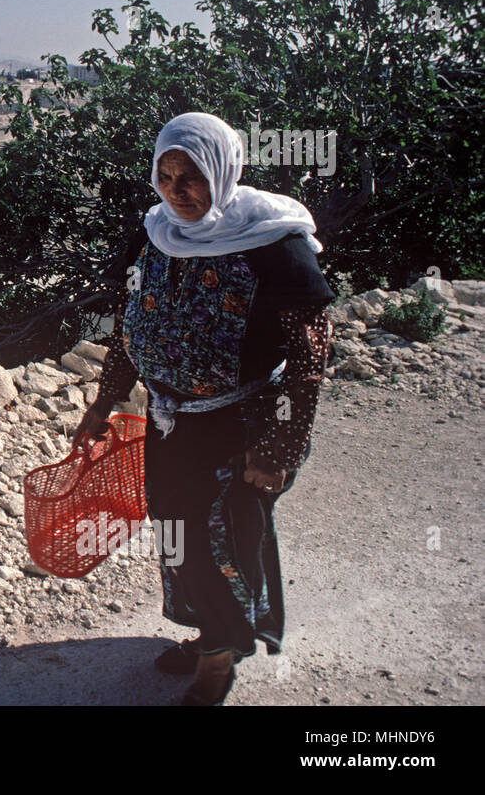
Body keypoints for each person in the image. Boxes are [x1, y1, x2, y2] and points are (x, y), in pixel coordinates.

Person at [71, 112, 335, 705]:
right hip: (172, 420)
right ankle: (210, 631)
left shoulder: (275, 245)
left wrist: (281, 446)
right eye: (165, 177)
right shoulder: (155, 234)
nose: (176, 191)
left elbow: (311, 355)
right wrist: (102, 405)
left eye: (191, 177)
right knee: (173, 531)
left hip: (243, 423)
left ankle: (221, 656)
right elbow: (130, 329)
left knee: (222, 536)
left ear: (223, 170)